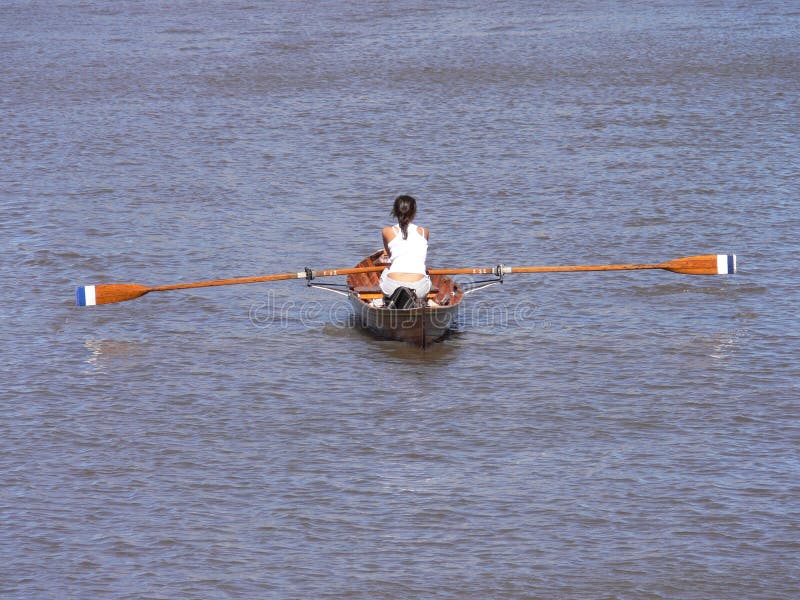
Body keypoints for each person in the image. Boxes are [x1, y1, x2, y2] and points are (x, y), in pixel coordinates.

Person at [379, 194, 432, 301]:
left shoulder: (386, 231)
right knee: (426, 271)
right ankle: (423, 301)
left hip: (392, 288)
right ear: (414, 213)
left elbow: (390, 256)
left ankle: (387, 301)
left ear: (395, 211)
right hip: (419, 289)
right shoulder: (424, 232)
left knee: (387, 268)